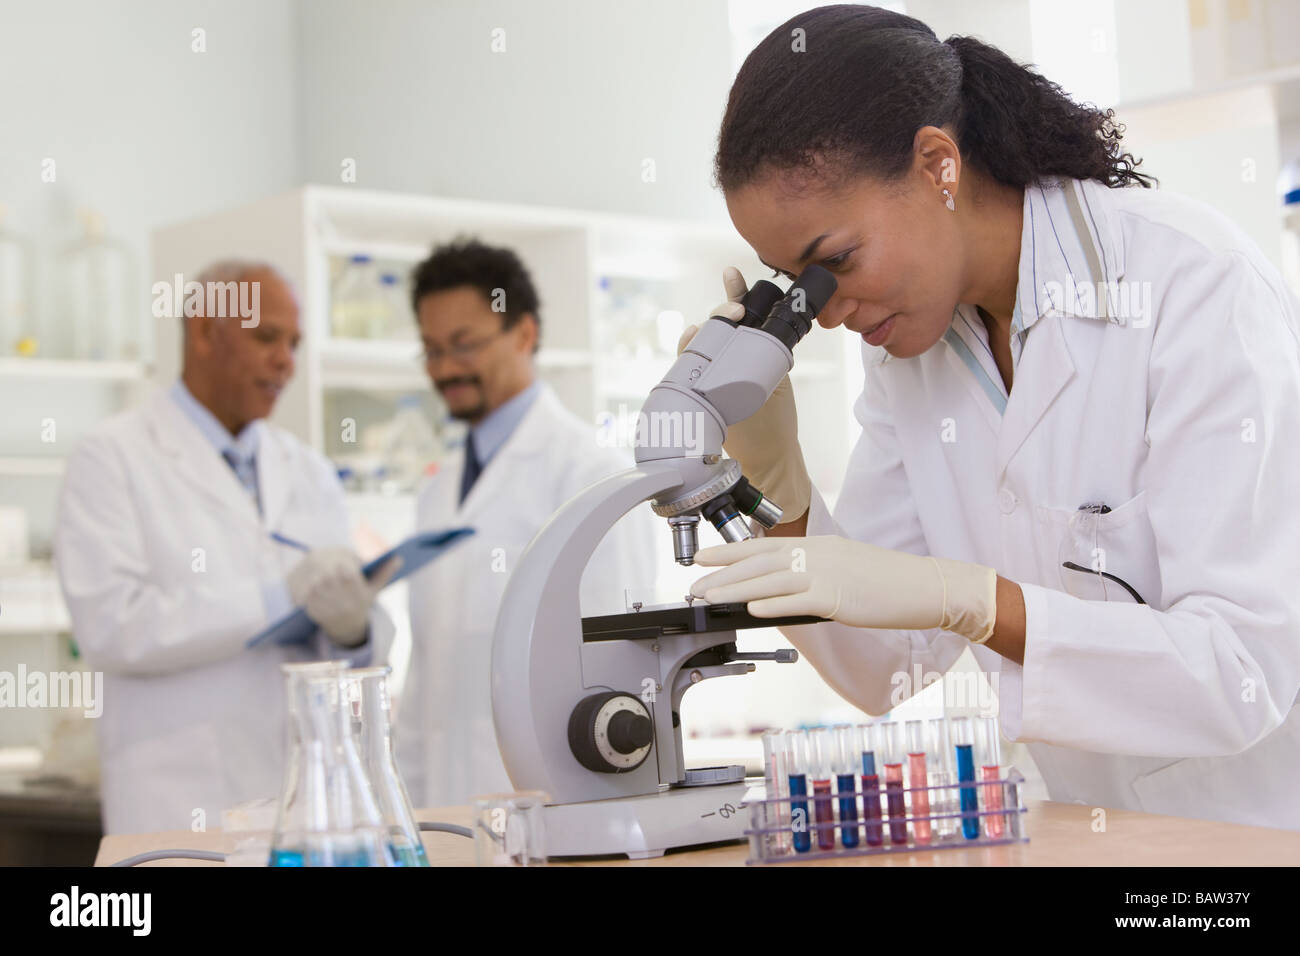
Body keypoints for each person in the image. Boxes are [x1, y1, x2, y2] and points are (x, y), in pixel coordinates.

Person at [686, 5, 1300, 830]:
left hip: (1257, 839)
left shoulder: (1193, 286)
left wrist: (974, 599)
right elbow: (883, 666)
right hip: (1092, 837)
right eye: (797, 282)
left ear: (937, 163)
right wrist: (773, 485)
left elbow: (1241, 673)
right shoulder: (913, 352)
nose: (824, 314)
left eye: (834, 262)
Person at [55, 260, 395, 834]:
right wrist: (274, 601)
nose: (286, 361)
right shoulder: (111, 457)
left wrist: (352, 631)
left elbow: (349, 663)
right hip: (177, 799)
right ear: (206, 333)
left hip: (300, 798)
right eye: (266, 338)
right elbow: (110, 625)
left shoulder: (307, 470)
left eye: (294, 343)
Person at [398, 238, 657, 808]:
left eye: (464, 344)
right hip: (446, 816)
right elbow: (425, 676)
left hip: (555, 812)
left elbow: (619, 670)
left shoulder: (590, 475)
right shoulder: (438, 491)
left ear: (524, 333)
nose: (445, 369)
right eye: (431, 350)